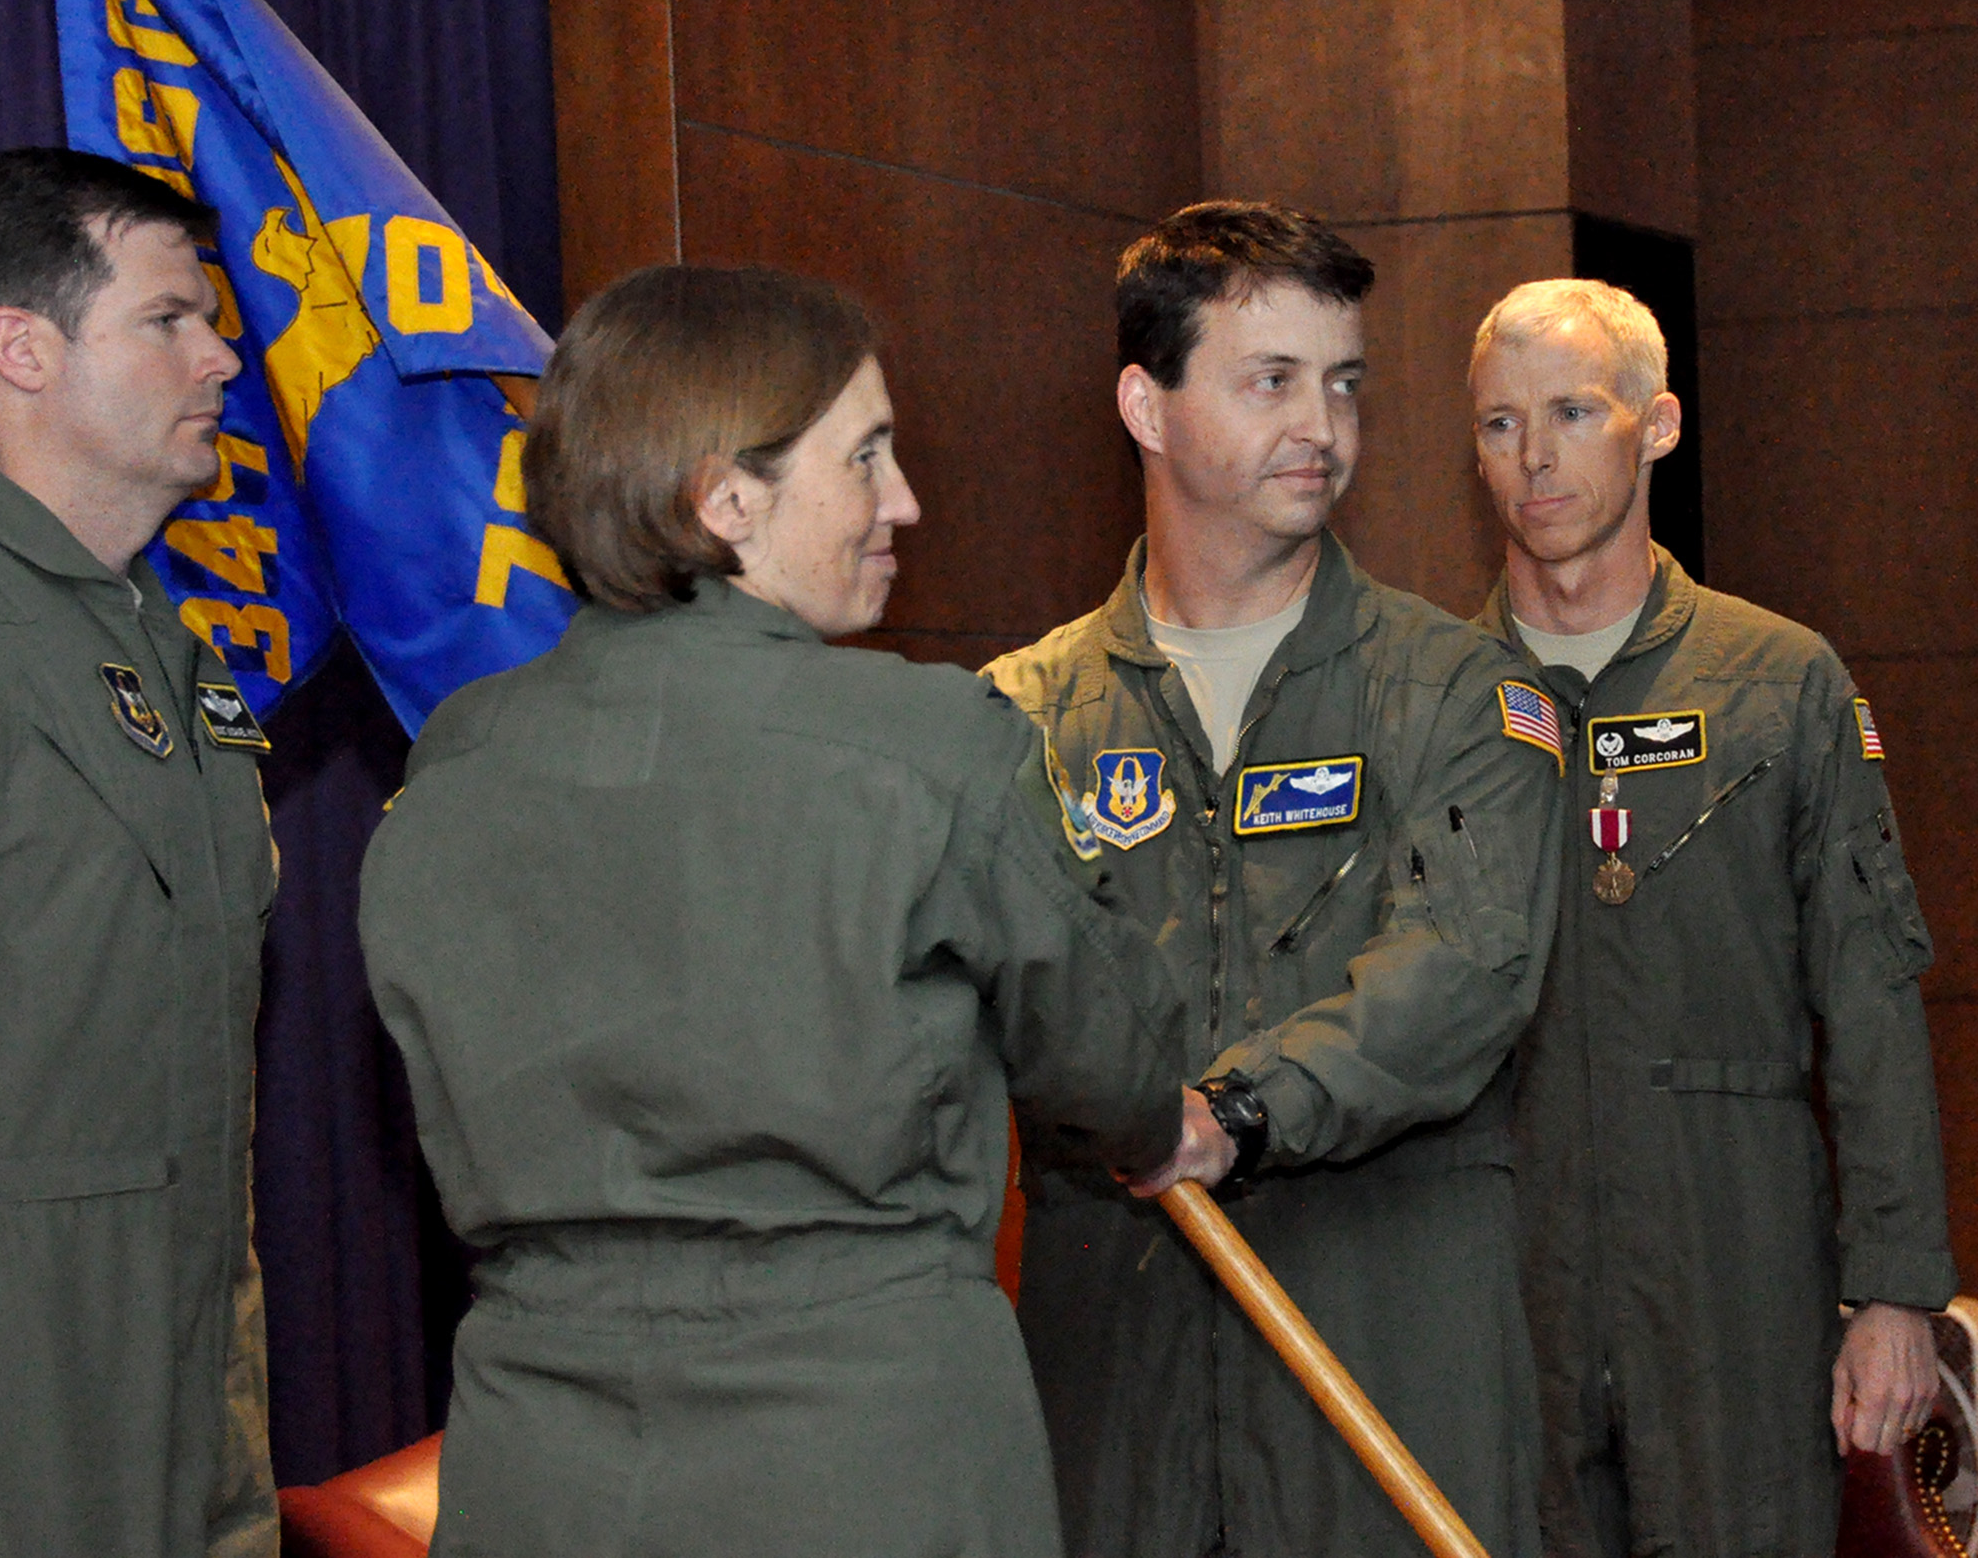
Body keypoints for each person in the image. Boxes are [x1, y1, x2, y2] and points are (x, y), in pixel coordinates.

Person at [357, 264, 1225, 1558]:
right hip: (860, 1452)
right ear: (727, 500)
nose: (905, 501)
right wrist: (1164, 1124)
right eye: (866, 456)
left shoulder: (448, 769)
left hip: (544, 1464)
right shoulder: (929, 746)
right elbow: (1112, 1060)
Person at [985, 200, 1566, 1558]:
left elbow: (1464, 973)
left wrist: (1232, 1112)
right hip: (1119, 1388)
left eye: (1344, 383)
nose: (1325, 425)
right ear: (1147, 402)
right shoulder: (1022, 716)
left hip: (1385, 1352)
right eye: (1273, 381)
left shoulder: (1463, 692)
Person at [1467, 276, 1955, 1558]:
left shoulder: (1778, 679)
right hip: (1508, 1282)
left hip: (1738, 1270)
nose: (1536, 458)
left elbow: (1869, 994)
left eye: (1574, 411)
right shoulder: (1437, 700)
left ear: (1659, 424)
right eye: (1500, 423)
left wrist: (1895, 1289)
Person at [0, 149, 278, 1558]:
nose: (224, 355)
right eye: (170, 319)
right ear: (22, 348)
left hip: (186, 1367)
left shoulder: (176, 661)